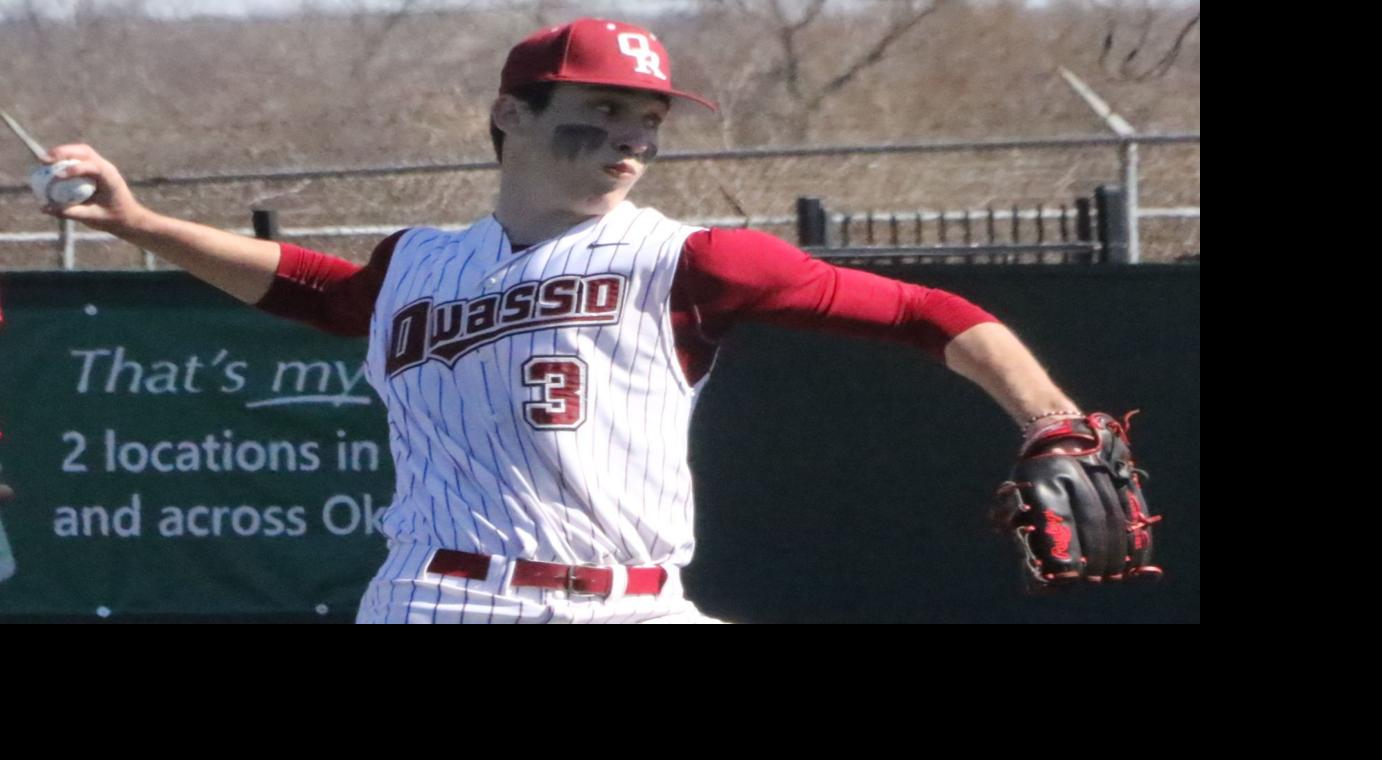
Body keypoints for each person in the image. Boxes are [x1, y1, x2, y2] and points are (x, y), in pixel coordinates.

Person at [37, 18, 1137, 623]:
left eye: (646, 121)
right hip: (448, 599)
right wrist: (139, 222)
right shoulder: (416, 268)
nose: (628, 141)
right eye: (598, 113)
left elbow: (927, 309)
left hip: (645, 604)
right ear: (511, 116)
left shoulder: (690, 260)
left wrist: (1049, 416)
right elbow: (314, 288)